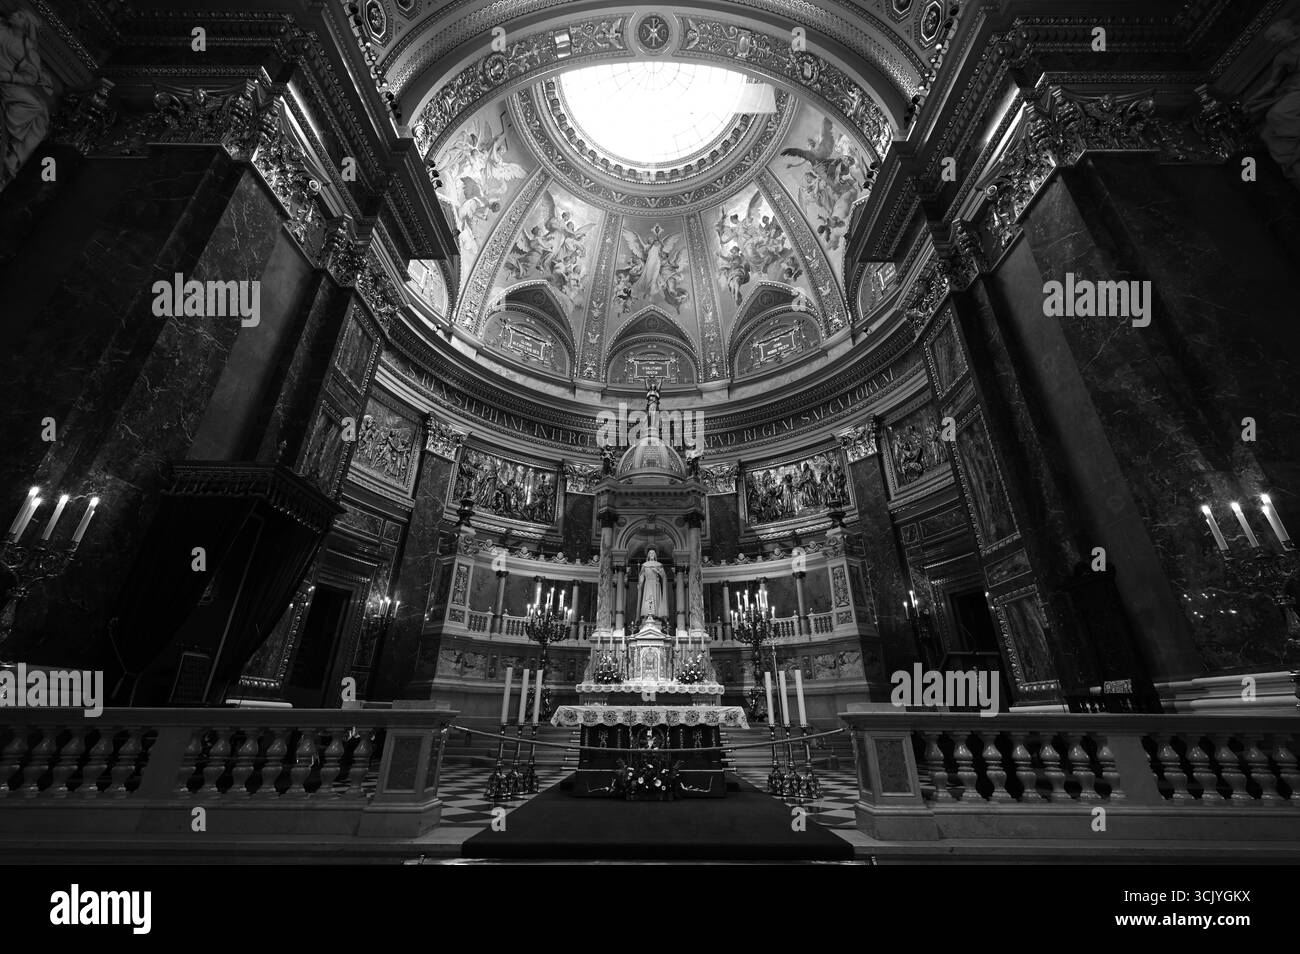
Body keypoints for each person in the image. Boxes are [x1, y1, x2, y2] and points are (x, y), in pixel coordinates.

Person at [0, 10, 53, 193]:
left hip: (8, 82)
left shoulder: (26, 48)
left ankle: (15, 157)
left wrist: (6, 75)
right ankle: (14, 154)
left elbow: (30, 78)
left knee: (41, 118)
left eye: (21, 16)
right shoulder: (2, 30)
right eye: (16, 13)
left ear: (26, 26)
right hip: (6, 85)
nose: (15, 14)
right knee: (36, 107)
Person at [1246, 19, 1300, 186]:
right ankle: (1294, 164)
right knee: (1268, 131)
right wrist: (1253, 99)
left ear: (1289, 30)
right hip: (1295, 89)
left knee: (1278, 114)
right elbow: (1273, 83)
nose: (1276, 41)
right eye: (1273, 40)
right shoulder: (1283, 56)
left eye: (1277, 36)